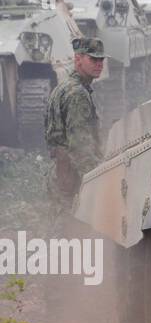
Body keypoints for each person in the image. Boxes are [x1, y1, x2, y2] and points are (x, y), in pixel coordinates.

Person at [45, 37, 104, 226]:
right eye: (93, 59)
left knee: (63, 228)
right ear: (78, 59)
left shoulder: (63, 87)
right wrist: (98, 180)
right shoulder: (76, 94)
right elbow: (80, 146)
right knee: (71, 230)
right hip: (73, 178)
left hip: (60, 172)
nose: (99, 64)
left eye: (101, 59)